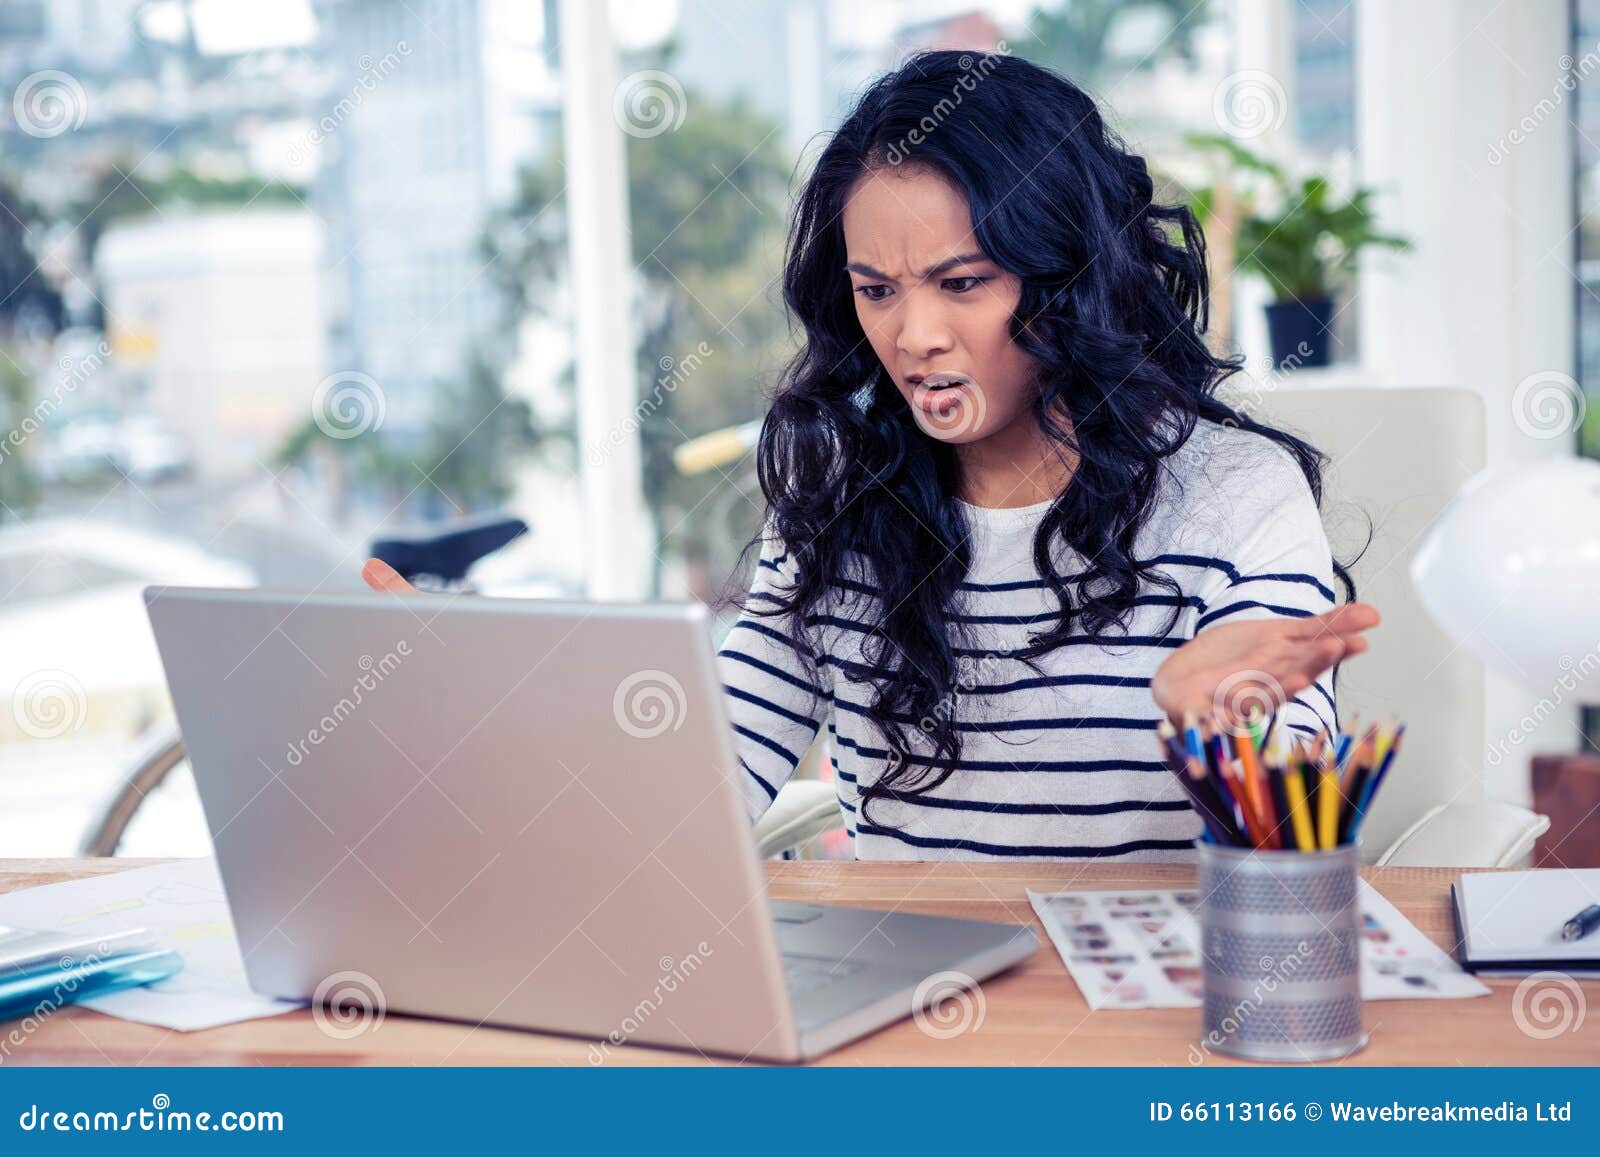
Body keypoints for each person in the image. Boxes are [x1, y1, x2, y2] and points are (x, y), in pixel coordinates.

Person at [365, 50, 1379, 861]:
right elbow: (689, 789)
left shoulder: (1231, 491)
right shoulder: (836, 493)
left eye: (962, 282)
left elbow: (1296, 845)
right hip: (907, 992)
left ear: (1070, 278)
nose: (914, 336)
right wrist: (483, 708)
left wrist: (1223, 724)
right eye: (878, 289)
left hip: (1138, 1008)